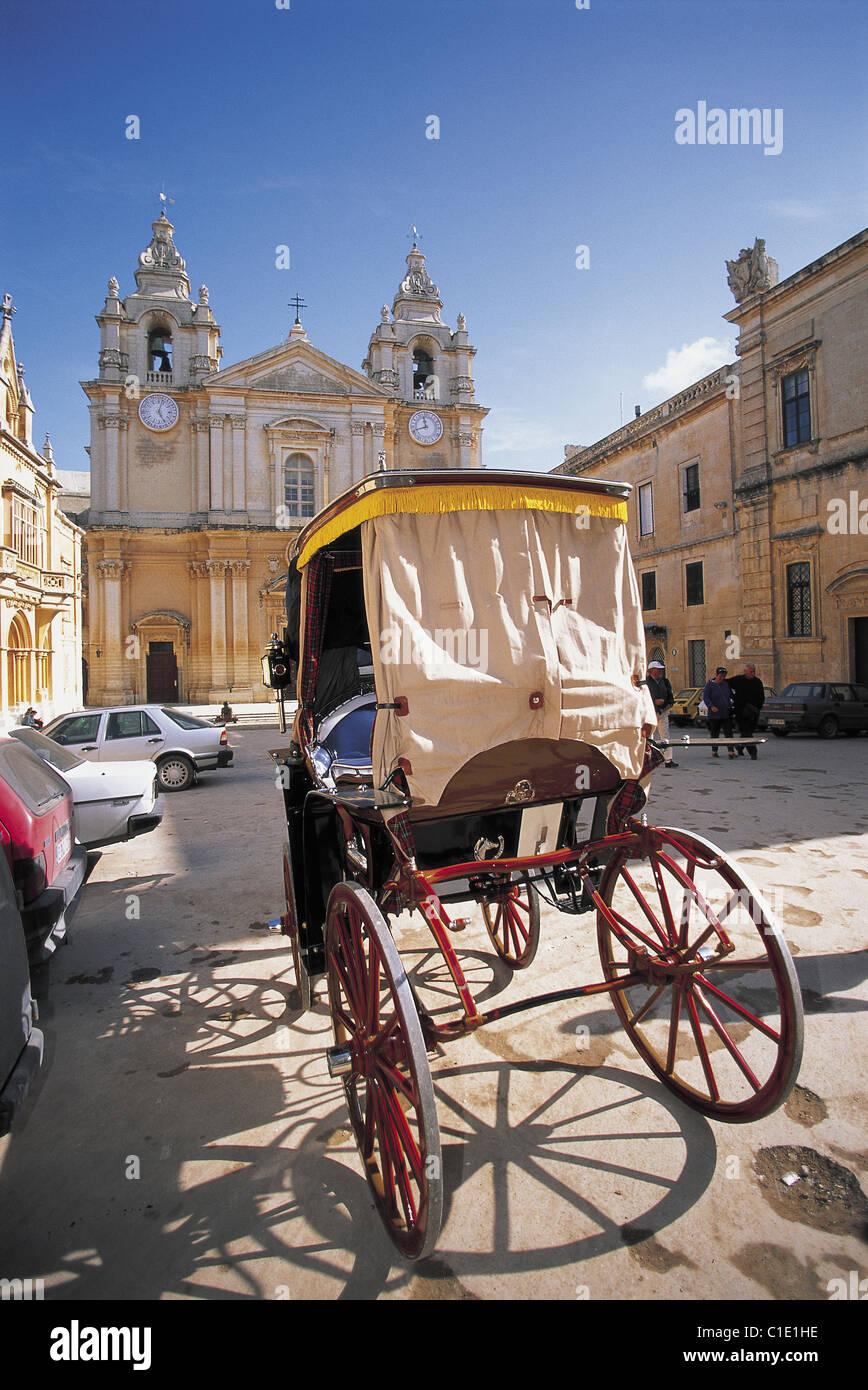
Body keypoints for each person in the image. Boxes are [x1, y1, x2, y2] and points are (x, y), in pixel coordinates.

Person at [729, 663, 764, 759]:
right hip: (741, 712)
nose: (752, 673)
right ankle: (753, 752)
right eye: (751, 672)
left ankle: (739, 747)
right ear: (745, 671)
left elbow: (761, 698)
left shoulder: (757, 682)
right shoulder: (738, 680)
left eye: (754, 672)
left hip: (753, 713)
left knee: (747, 732)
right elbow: (725, 683)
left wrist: (757, 709)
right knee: (747, 732)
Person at [646, 659, 678, 767]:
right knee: (649, 736)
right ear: (652, 670)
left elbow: (670, 698)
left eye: (660, 670)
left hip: (662, 712)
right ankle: (649, 759)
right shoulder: (646, 683)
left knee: (665, 735)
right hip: (650, 712)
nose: (660, 672)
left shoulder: (665, 681)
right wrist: (654, 702)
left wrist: (666, 704)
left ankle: (668, 759)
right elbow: (643, 699)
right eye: (658, 670)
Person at [703, 667, 734, 758]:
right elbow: (706, 697)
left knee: (728, 733)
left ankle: (731, 751)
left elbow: (729, 696)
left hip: (725, 713)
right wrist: (711, 706)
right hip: (714, 714)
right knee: (715, 733)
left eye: (724, 676)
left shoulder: (725, 684)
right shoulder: (710, 685)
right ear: (717, 675)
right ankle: (714, 751)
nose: (722, 678)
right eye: (721, 676)